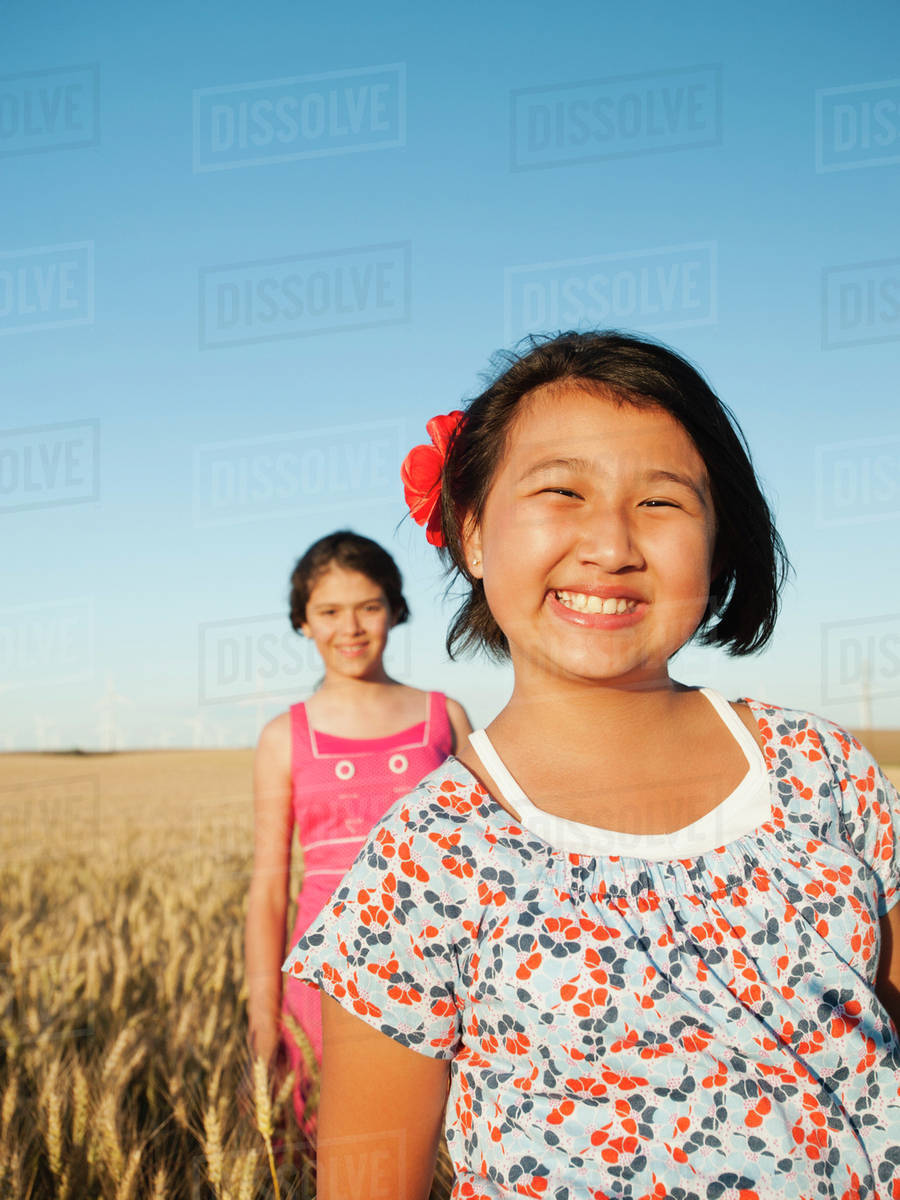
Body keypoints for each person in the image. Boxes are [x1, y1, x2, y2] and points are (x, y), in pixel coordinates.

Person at [283, 334, 900, 1199]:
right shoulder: (423, 861)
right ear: (472, 532)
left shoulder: (826, 771)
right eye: (561, 491)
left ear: (721, 545)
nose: (611, 546)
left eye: (661, 502)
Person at [245, 530, 472, 1136]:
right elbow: (269, 891)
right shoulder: (282, 737)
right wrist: (264, 1024)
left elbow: (480, 864)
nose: (350, 627)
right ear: (303, 623)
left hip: (438, 973)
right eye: (328, 612)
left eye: (368, 606)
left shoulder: (443, 718)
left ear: (395, 610)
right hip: (319, 990)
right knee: (330, 1149)